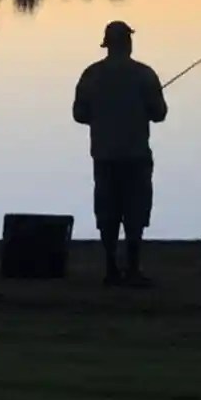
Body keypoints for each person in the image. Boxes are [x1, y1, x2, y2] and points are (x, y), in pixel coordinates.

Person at [73, 20, 168, 287]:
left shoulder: (91, 75)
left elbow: (78, 114)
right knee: (135, 211)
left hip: (103, 156)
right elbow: (159, 114)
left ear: (107, 45)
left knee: (107, 212)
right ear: (128, 43)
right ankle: (133, 269)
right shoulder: (144, 75)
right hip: (136, 156)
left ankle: (111, 268)